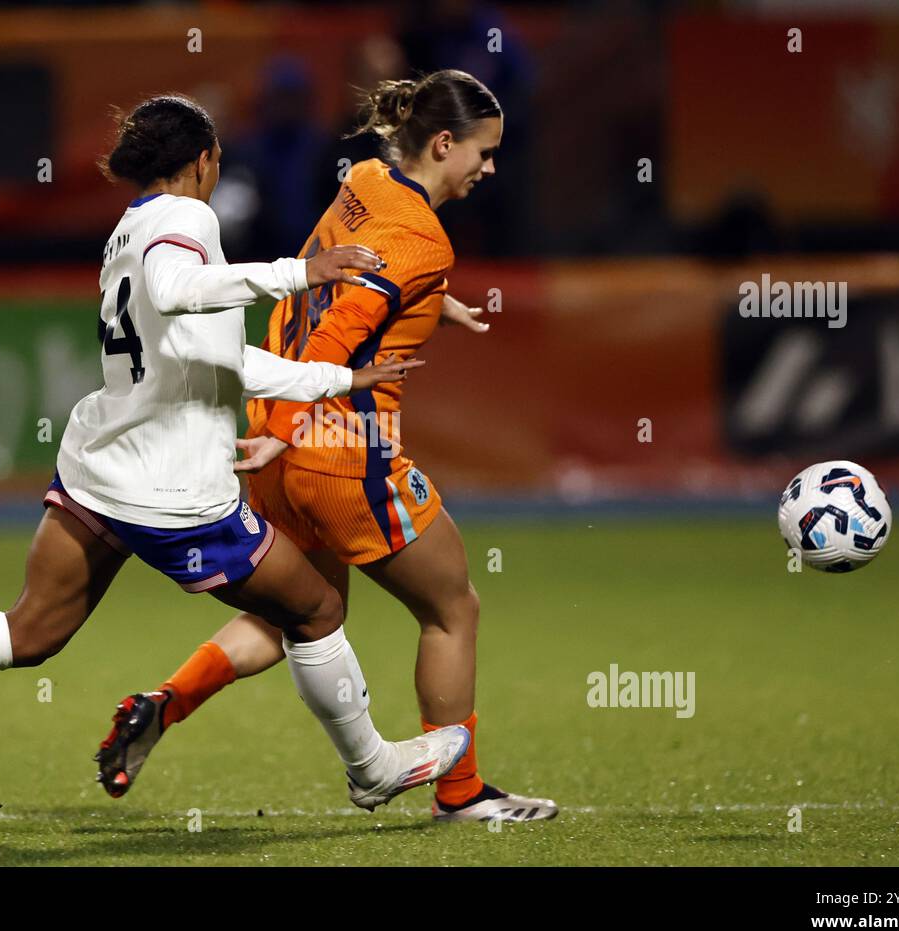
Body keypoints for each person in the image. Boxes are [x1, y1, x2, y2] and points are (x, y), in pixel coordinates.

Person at [0, 94, 471, 812]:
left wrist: (336, 378)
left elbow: (218, 354)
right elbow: (176, 291)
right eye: (216, 159)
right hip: (173, 493)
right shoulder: (188, 219)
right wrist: (297, 276)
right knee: (316, 611)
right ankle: (373, 768)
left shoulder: (128, 227)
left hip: (99, 463)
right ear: (201, 162)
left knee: (30, 630)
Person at [98, 73, 558, 823]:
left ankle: (166, 704)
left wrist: (430, 303)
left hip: (274, 444)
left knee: (300, 617)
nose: (491, 166)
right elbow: (337, 331)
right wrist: (288, 431)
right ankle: (461, 792)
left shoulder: (368, 182)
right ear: (445, 144)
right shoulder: (423, 238)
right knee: (452, 609)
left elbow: (345, 278)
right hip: (340, 445)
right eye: (485, 150)